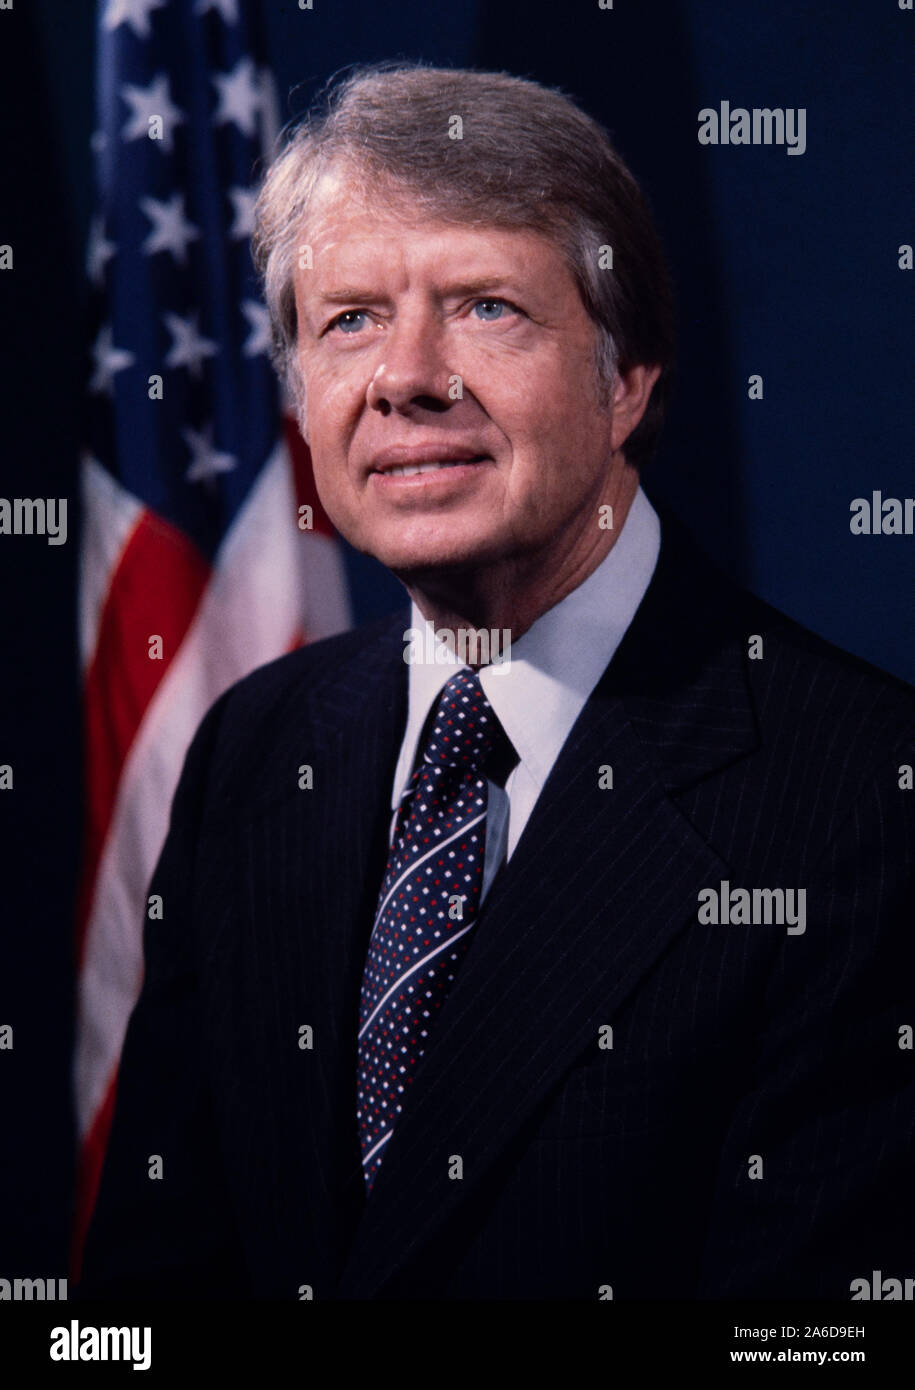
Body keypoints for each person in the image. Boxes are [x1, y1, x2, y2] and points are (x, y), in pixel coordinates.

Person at [79, 64, 915, 1301]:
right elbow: (141, 1307)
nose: (408, 376)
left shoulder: (858, 792)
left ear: (626, 377)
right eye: (350, 320)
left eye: (483, 307)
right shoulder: (255, 749)